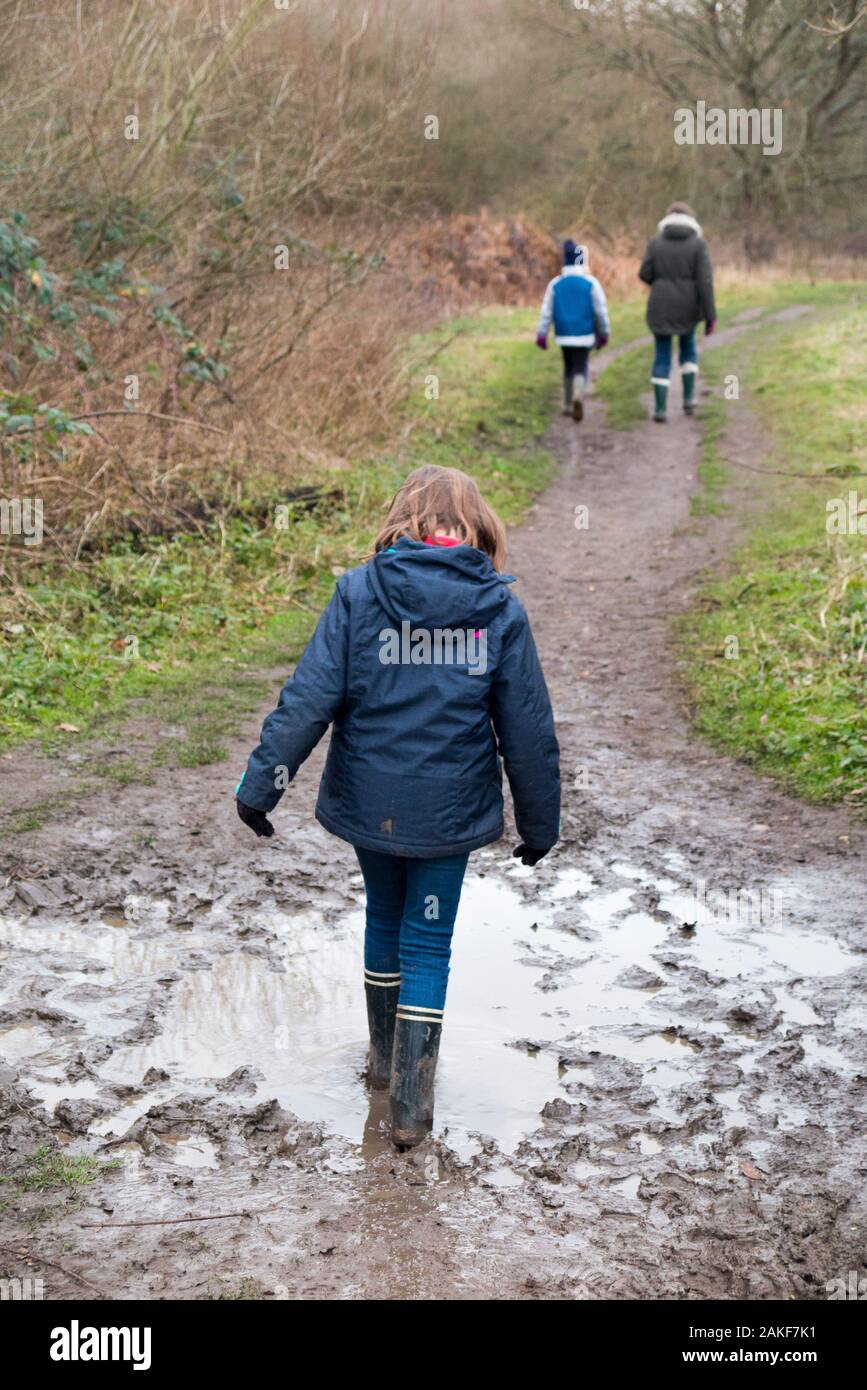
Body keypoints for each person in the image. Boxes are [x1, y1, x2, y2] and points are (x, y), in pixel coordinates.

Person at [234, 465, 560, 1148]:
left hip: (371, 802)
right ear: (475, 527)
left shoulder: (359, 592)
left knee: (384, 915)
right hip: (448, 812)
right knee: (428, 940)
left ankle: (384, 1067)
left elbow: (311, 696)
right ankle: (411, 1107)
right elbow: (525, 727)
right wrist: (539, 823)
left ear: (403, 520)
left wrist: (263, 784)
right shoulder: (495, 607)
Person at [638, 201, 717, 422]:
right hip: (688, 305)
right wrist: (711, 315)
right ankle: (689, 398)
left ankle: (661, 408)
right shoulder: (698, 245)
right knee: (688, 348)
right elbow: (705, 281)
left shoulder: (655, 243)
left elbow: (644, 273)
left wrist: (661, 281)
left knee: (661, 355)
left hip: (660, 304)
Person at [535, 240, 610, 421]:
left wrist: (542, 334)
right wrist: (604, 333)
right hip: (585, 334)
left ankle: (567, 405)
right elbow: (600, 311)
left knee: (568, 366)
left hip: (563, 334)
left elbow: (546, 311)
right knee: (580, 366)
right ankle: (578, 395)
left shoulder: (556, 284)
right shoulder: (590, 283)